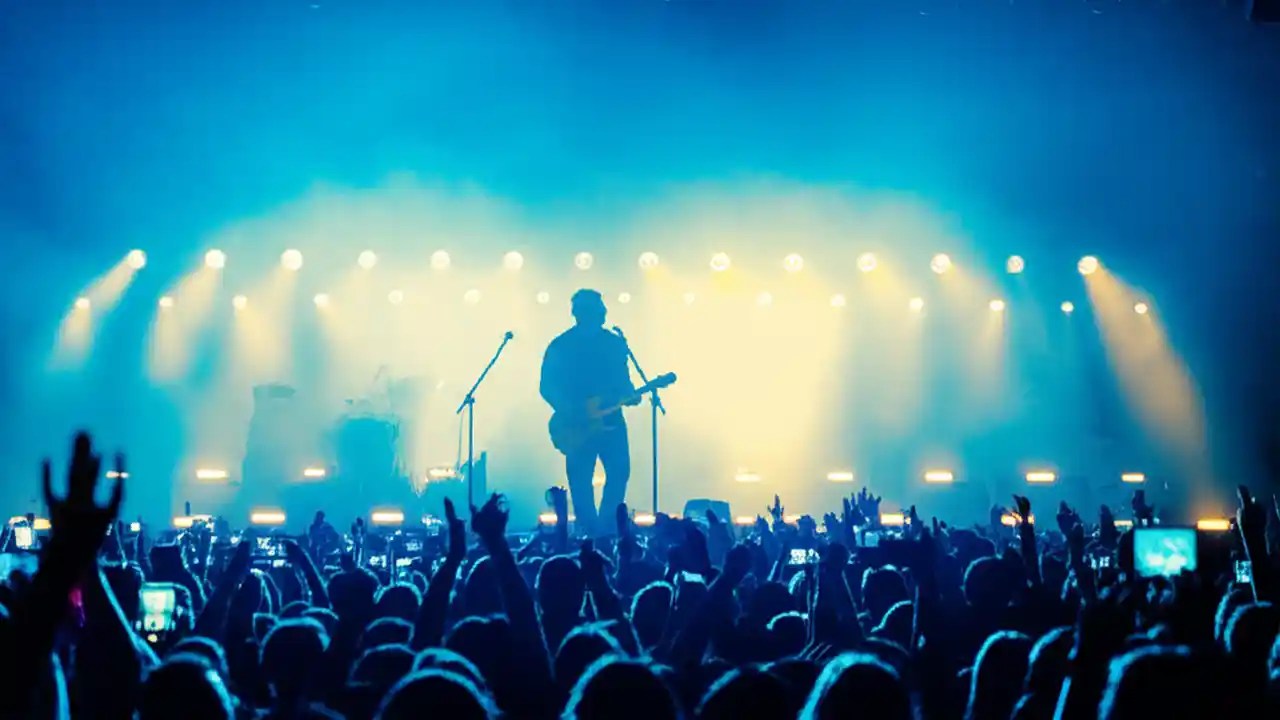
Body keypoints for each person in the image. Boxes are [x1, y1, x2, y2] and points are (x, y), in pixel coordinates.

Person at [540, 289, 639, 536]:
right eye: (598, 308)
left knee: (619, 471)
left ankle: (605, 526)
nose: (604, 312)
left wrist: (630, 394)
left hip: (611, 420)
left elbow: (622, 381)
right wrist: (574, 410)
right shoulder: (561, 346)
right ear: (583, 313)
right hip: (576, 423)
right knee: (580, 479)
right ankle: (589, 530)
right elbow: (547, 387)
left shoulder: (614, 343)